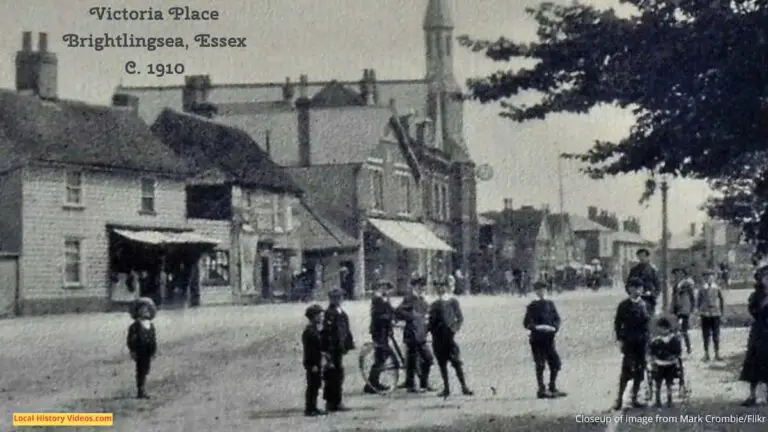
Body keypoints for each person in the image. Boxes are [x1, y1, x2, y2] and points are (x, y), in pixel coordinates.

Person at [429, 280, 474, 398]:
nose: (440, 289)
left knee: (456, 363)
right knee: (442, 364)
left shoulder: (452, 301)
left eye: (442, 286)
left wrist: (454, 329)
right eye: (437, 287)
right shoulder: (434, 304)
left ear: (446, 288)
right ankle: (447, 388)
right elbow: (430, 322)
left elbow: (459, 318)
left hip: (449, 337)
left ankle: (464, 386)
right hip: (437, 338)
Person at [523, 281, 567, 399]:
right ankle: (541, 389)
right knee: (540, 363)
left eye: (543, 290)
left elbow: (556, 318)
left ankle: (552, 386)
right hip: (537, 339)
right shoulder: (532, 305)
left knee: (556, 363)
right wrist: (536, 327)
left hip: (549, 338)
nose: (542, 292)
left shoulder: (550, 304)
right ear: (536, 291)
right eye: (539, 290)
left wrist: (554, 327)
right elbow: (527, 322)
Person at [613, 277, 652, 410]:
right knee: (626, 370)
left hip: (642, 343)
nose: (637, 290)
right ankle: (619, 399)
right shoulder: (623, 305)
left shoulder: (646, 305)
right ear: (629, 289)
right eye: (634, 287)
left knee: (640, 371)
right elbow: (618, 324)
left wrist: (648, 341)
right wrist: (620, 339)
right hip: (629, 342)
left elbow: (649, 324)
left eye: (639, 287)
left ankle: (634, 398)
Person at [395, 276, 435, 392]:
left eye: (423, 286)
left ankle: (422, 383)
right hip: (411, 335)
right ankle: (412, 385)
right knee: (414, 361)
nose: (422, 288)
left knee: (427, 359)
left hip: (421, 335)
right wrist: (411, 317)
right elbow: (398, 311)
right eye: (419, 286)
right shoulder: (409, 299)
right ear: (413, 286)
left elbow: (426, 317)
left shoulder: (423, 301)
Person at [321, 288, 355, 412]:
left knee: (338, 374)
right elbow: (328, 333)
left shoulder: (339, 311)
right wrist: (327, 351)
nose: (340, 299)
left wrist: (347, 344)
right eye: (337, 297)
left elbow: (344, 330)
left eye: (340, 297)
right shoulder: (330, 313)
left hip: (338, 348)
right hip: (332, 349)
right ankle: (332, 402)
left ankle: (336, 400)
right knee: (333, 375)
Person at [739, 264, 768, 406]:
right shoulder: (756, 295)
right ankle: (752, 395)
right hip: (760, 331)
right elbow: (753, 311)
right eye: (765, 277)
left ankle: (765, 396)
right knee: (755, 361)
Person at [364, 280, 395, 394]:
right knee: (381, 355)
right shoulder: (377, 299)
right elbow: (378, 315)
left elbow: (391, 311)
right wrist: (389, 317)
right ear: (380, 287)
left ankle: (373, 381)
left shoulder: (384, 298)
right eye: (384, 287)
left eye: (387, 288)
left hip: (384, 330)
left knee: (382, 355)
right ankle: (372, 383)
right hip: (379, 331)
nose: (386, 290)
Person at [648, 316, 684, 408]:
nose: (662, 331)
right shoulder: (656, 341)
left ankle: (669, 400)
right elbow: (652, 353)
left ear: (668, 329)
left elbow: (677, 352)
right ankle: (658, 400)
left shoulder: (674, 340)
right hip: (659, 364)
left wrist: (673, 357)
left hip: (670, 364)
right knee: (658, 383)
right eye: (660, 329)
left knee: (669, 383)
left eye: (664, 329)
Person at [127, 297, 158, 399]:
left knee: (146, 369)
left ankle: (143, 387)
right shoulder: (135, 326)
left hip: (148, 351)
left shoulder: (151, 326)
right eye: (142, 310)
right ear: (137, 312)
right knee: (140, 370)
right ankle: (141, 389)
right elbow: (131, 339)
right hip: (140, 351)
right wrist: (132, 350)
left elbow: (153, 339)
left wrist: (153, 351)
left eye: (147, 310)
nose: (145, 312)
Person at [302, 304, 327, 416]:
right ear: (314, 317)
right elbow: (310, 350)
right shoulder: (310, 332)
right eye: (320, 316)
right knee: (312, 386)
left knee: (316, 385)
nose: (322, 318)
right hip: (312, 362)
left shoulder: (314, 330)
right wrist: (312, 365)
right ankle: (310, 408)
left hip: (315, 362)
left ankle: (313, 407)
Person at [697, 269, 725, 362]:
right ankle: (706, 353)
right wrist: (699, 311)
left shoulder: (717, 288)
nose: (709, 279)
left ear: (714, 278)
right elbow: (698, 301)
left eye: (711, 277)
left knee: (716, 334)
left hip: (715, 313)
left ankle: (717, 353)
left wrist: (722, 312)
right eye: (707, 277)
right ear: (704, 278)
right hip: (705, 314)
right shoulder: (701, 289)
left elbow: (721, 300)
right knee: (705, 334)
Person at [627, 248, 661, 315]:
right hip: (636, 300)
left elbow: (658, 286)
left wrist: (652, 294)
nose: (641, 258)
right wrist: (633, 293)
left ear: (648, 257)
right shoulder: (634, 270)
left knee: (649, 320)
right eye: (639, 256)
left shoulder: (653, 270)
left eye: (643, 256)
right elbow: (628, 285)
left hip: (649, 300)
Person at [671, 268, 695, 355]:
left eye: (680, 274)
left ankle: (688, 348)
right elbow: (673, 298)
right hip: (676, 309)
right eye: (676, 274)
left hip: (684, 309)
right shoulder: (675, 285)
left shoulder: (687, 284)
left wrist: (691, 308)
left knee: (684, 330)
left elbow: (692, 298)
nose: (677, 276)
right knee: (675, 330)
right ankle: (677, 348)